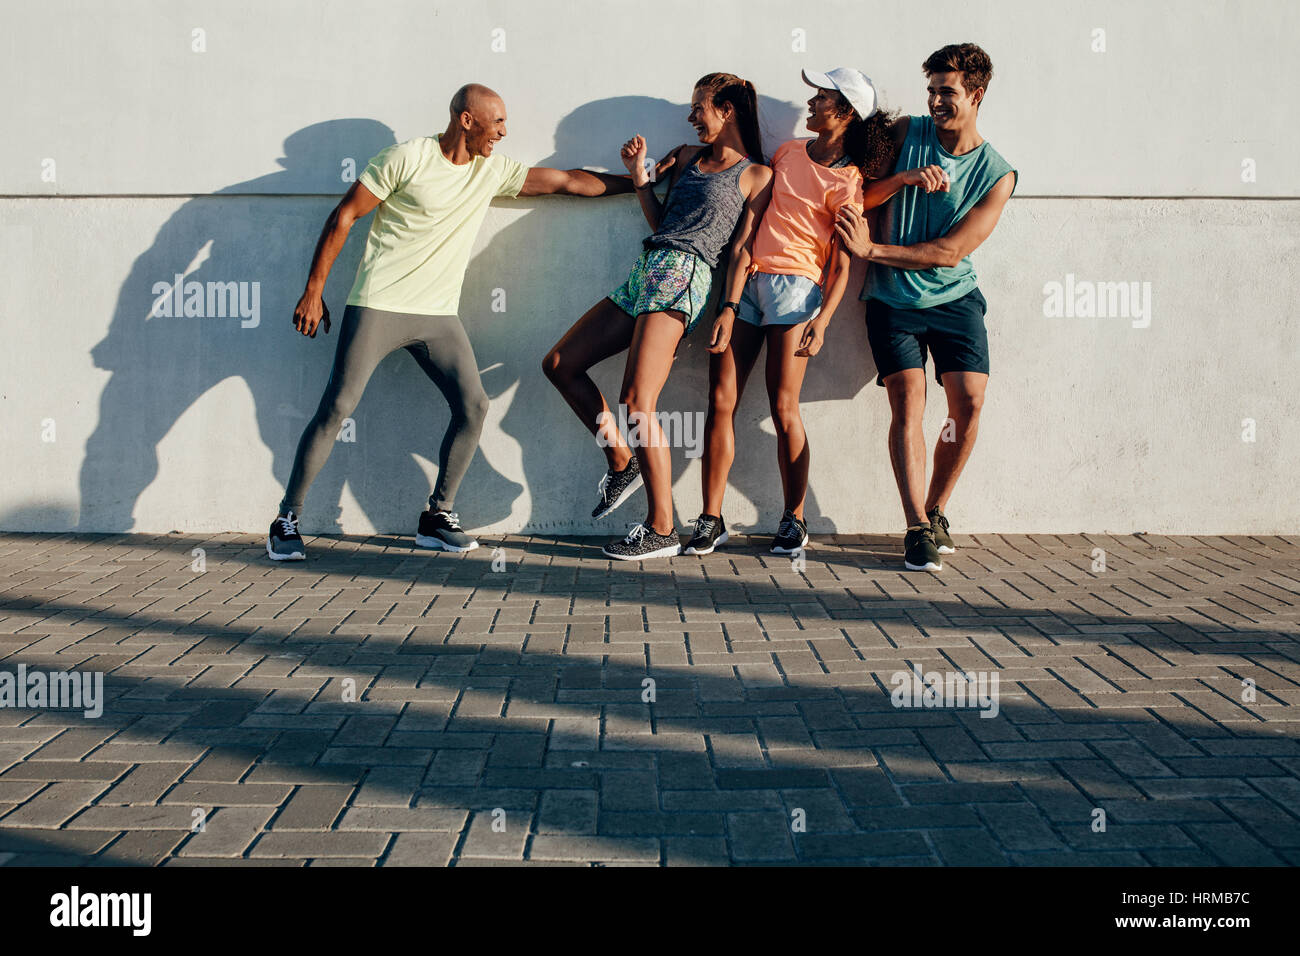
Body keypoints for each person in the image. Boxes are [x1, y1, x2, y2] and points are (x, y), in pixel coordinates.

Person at [267, 83, 634, 561]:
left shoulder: (489, 171)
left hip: (438, 315)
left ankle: (437, 515)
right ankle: (286, 520)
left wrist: (642, 183)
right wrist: (314, 290)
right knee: (338, 407)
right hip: (379, 303)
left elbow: (568, 182)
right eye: (497, 121)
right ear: (467, 119)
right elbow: (344, 217)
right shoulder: (406, 158)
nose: (504, 132)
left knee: (474, 405)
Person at [687, 67, 935, 557]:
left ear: (843, 112)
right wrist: (730, 304)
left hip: (797, 293)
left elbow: (842, 266)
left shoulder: (848, 182)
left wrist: (821, 321)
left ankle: (793, 519)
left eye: (822, 97)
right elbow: (750, 229)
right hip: (749, 285)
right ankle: (711, 518)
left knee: (783, 407)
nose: (812, 103)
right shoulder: (787, 153)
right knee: (720, 401)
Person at [542, 73, 773, 561]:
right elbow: (662, 221)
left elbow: (740, 253)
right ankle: (620, 460)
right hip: (648, 266)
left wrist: (729, 310)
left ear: (727, 110)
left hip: (686, 275)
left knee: (636, 399)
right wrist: (639, 175)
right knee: (561, 363)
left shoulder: (756, 175)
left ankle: (662, 526)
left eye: (699, 108)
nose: (691, 118)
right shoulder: (687, 156)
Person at [835, 43, 1017, 572]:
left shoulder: (997, 174)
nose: (936, 101)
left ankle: (937, 508)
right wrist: (904, 179)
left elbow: (949, 252)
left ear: (976, 95)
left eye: (948, 91)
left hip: (956, 298)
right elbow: (858, 197)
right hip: (893, 300)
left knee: (970, 404)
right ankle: (916, 526)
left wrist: (871, 251)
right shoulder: (904, 135)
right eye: (932, 90)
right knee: (908, 403)